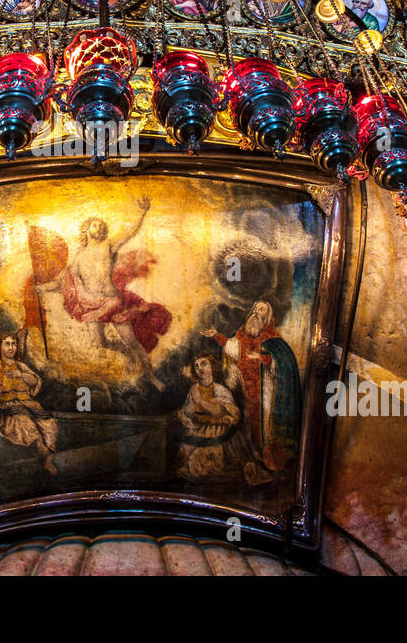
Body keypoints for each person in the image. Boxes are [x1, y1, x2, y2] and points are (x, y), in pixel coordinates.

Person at [35, 198, 170, 389]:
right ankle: (126, 354)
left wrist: (142, 214)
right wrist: (44, 288)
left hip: (113, 302)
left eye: (101, 226)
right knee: (100, 344)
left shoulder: (108, 246)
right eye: (94, 225)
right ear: (86, 229)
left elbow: (129, 233)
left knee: (132, 342)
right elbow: (64, 280)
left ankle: (151, 377)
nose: (98, 228)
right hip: (91, 304)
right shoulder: (80, 255)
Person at [202, 300, 300, 472]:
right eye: (254, 308)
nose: (256, 312)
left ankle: (268, 459)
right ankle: (250, 457)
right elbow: (232, 348)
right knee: (245, 424)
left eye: (261, 309)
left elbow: (284, 362)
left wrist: (262, 358)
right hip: (244, 392)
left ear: (268, 316)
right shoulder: (242, 335)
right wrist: (217, 335)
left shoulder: (274, 340)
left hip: (266, 393)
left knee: (264, 427)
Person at [176, 353, 269, 484]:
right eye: (196, 366)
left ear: (213, 367)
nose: (200, 369)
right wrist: (184, 416)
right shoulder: (194, 389)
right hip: (201, 429)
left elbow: (220, 412)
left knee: (205, 460)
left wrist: (201, 402)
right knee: (184, 454)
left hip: (221, 431)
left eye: (204, 364)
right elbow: (189, 411)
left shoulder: (220, 390)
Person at [0, 331, 58, 474]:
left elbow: (35, 381)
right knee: (28, 426)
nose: (11, 348)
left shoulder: (20, 366)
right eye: (7, 344)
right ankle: (45, 458)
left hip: (29, 405)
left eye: (13, 344)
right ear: (0, 347)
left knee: (50, 424)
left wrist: (20, 375)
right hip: (10, 407)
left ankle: (48, 460)